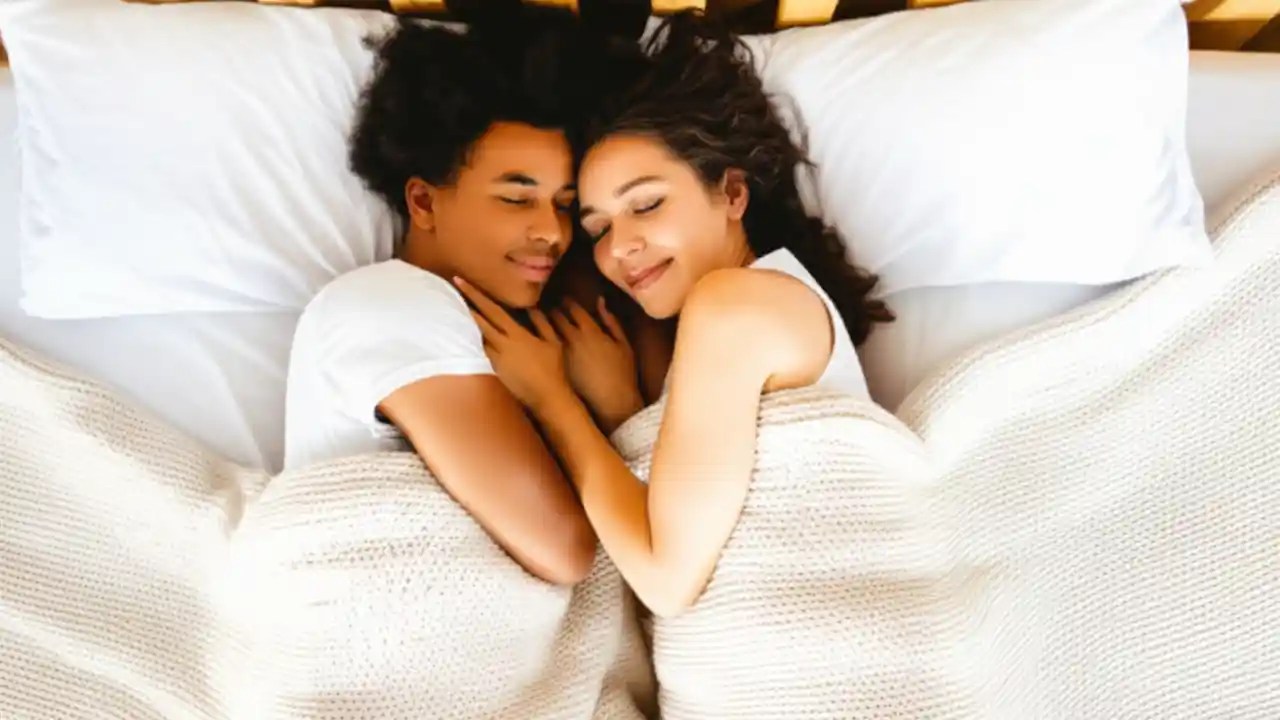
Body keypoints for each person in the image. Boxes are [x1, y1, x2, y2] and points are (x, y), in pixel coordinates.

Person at [455, 12, 894, 616]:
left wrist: (551, 399)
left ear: (733, 194)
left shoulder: (734, 304)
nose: (619, 247)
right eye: (598, 227)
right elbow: (696, 509)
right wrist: (623, 414)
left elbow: (664, 579)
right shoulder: (757, 307)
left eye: (647, 204)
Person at [283, 8, 608, 586]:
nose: (553, 233)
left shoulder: (524, 329)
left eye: (563, 203)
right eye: (516, 199)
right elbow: (566, 549)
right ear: (424, 203)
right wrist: (557, 398)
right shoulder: (388, 302)